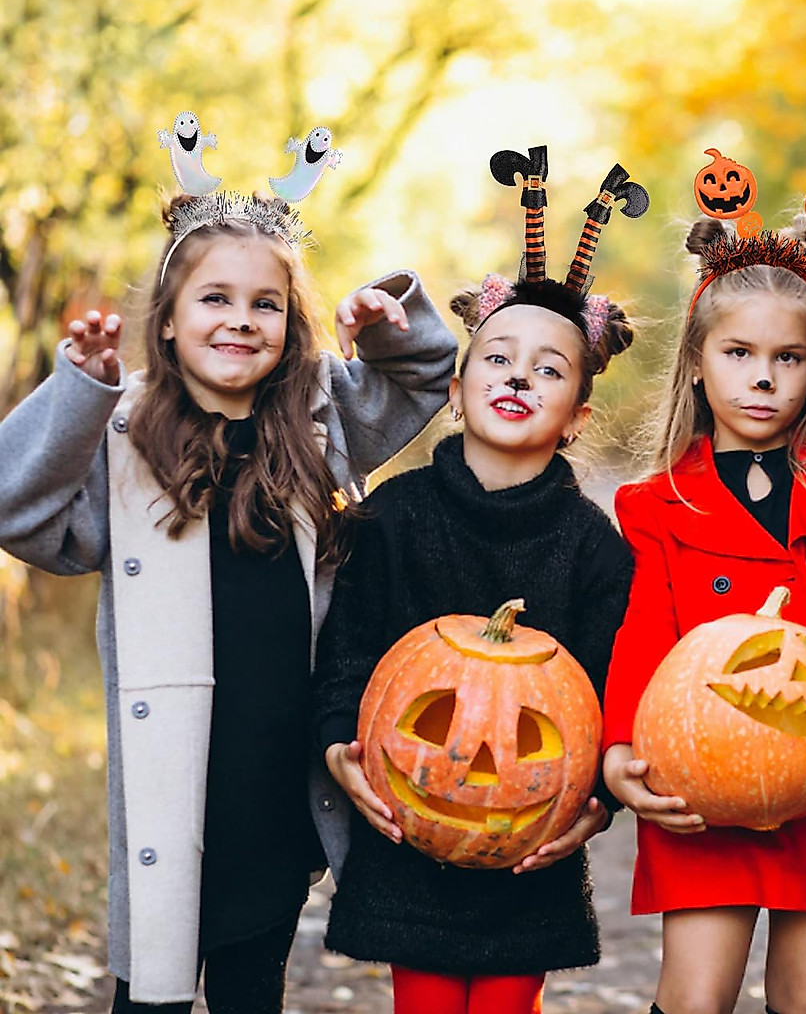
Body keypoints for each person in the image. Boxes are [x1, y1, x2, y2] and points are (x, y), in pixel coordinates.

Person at [0, 187, 458, 1012]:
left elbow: (426, 371)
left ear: (290, 326)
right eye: (215, 298)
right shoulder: (127, 435)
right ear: (168, 321)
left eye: (265, 304)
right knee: (152, 992)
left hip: (273, 784)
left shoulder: (316, 422)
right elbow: (16, 508)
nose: (240, 319)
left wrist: (383, 319)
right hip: (174, 777)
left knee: (253, 987)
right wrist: (82, 391)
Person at [313, 148, 643, 1014]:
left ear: (576, 419)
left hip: (529, 834)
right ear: (457, 390)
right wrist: (341, 745)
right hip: (411, 816)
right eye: (499, 359)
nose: (519, 379)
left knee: (504, 1004)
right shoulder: (393, 516)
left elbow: (616, 692)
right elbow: (347, 649)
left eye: (549, 370)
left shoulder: (594, 549)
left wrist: (598, 804)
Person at [602, 194, 806, 1014]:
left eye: (789, 358)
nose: (762, 376)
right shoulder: (658, 506)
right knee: (695, 995)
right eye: (739, 352)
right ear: (696, 359)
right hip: (702, 773)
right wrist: (618, 756)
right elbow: (644, 637)